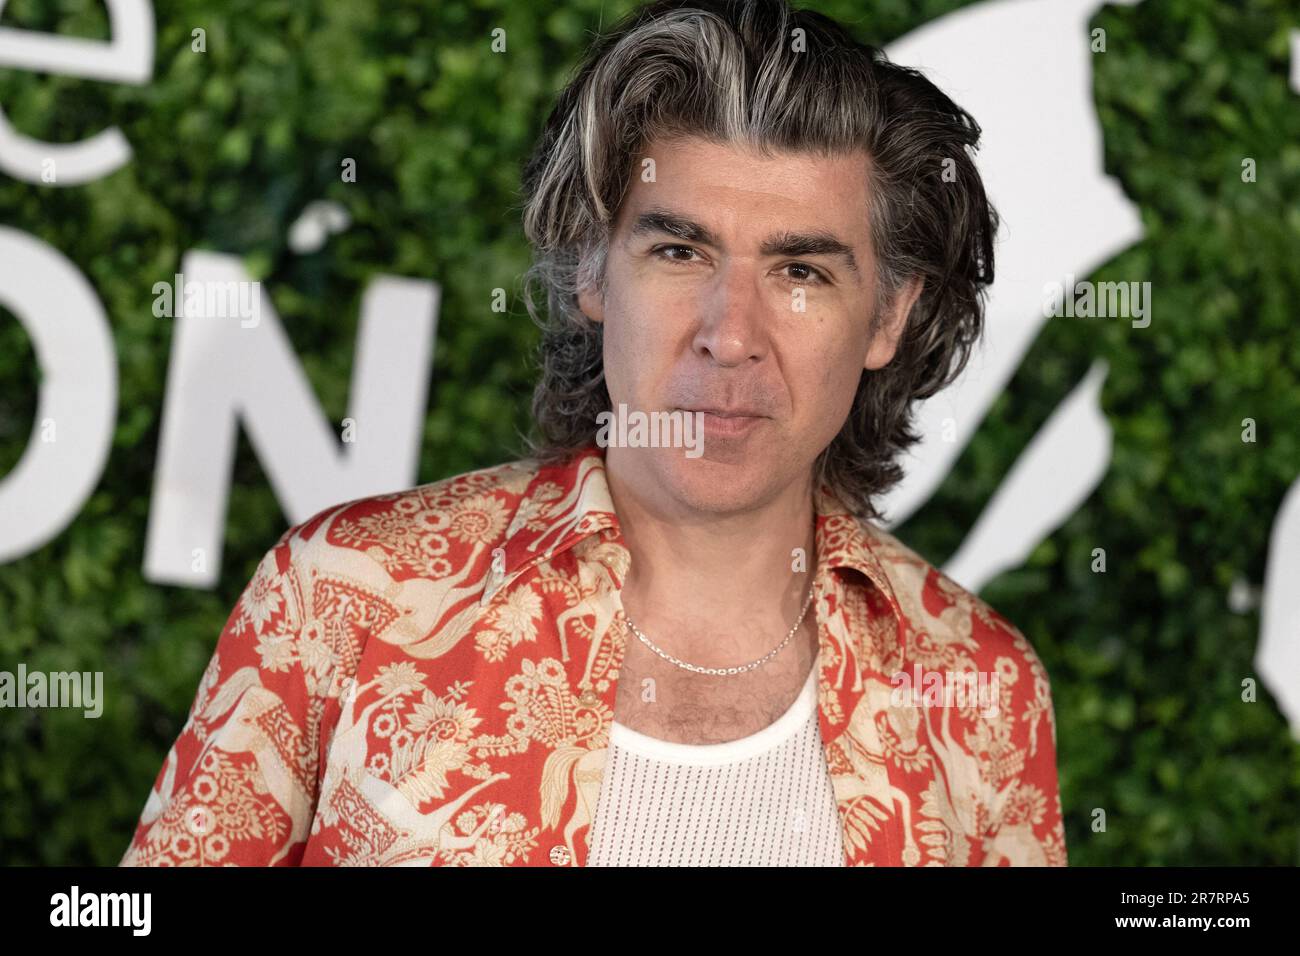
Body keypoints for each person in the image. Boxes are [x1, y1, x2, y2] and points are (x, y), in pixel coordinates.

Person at [121, 0, 1066, 867]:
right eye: (678, 250)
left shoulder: (982, 687)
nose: (730, 334)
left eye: (803, 273)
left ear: (888, 317)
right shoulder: (342, 598)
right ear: (592, 273)